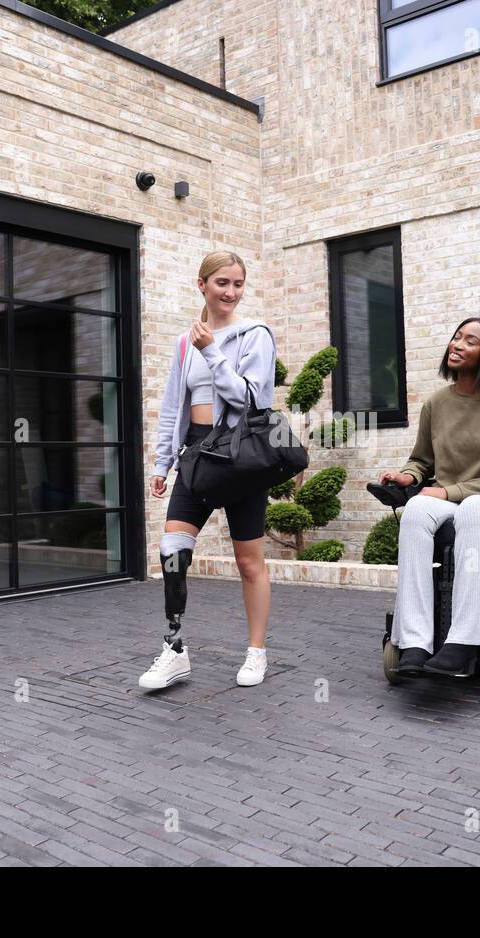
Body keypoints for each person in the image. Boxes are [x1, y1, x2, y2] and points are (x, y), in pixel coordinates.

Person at [140, 251, 278, 691]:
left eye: (238, 284)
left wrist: (213, 353)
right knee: (173, 552)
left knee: (248, 561)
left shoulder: (255, 336)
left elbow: (252, 401)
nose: (231, 292)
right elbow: (171, 409)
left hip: (239, 456)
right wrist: (163, 462)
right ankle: (175, 649)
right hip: (197, 454)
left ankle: (256, 652)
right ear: (202, 284)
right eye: (222, 282)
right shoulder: (186, 342)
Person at [379, 317, 480, 678]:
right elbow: (422, 460)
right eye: (457, 337)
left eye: (470, 341)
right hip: (450, 496)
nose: (457, 344)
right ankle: (415, 642)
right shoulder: (436, 404)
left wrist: (451, 491)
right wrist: (409, 475)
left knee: (473, 509)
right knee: (415, 507)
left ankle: (463, 642)